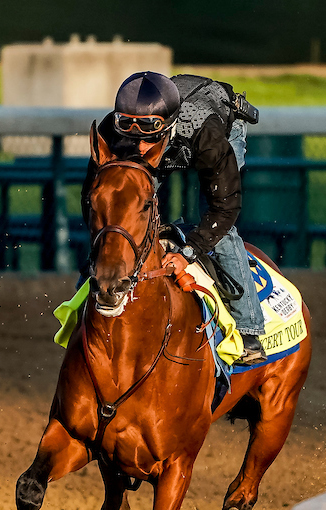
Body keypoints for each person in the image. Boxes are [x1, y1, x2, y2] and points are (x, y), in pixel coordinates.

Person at [84, 70, 265, 364]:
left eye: (149, 139)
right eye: (131, 138)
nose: (140, 149)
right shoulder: (112, 131)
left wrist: (188, 253)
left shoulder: (206, 137)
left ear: (167, 128)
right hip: (176, 136)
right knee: (125, 203)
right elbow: (93, 199)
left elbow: (224, 207)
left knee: (217, 230)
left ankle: (249, 330)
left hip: (218, 126)